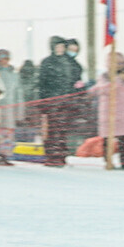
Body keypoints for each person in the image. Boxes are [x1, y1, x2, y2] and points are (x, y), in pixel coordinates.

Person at [94, 51, 124, 170]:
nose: (121, 65)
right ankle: (108, 161)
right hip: (109, 113)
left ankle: (123, 162)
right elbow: (101, 90)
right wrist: (117, 81)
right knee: (108, 139)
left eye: (122, 63)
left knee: (123, 139)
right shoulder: (104, 76)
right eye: (118, 63)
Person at [38, 36, 78, 167]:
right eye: (58, 46)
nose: (60, 49)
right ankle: (51, 156)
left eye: (62, 46)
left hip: (66, 102)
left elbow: (73, 80)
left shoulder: (68, 63)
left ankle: (61, 155)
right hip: (52, 102)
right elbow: (42, 83)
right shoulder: (47, 62)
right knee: (52, 130)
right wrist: (43, 101)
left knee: (63, 130)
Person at [0, 49, 22, 163]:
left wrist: (20, 112)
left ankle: (5, 155)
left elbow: (18, 93)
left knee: (8, 132)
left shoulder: (14, 74)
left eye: (6, 59)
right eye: (2, 59)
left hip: (10, 108)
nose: (4, 61)